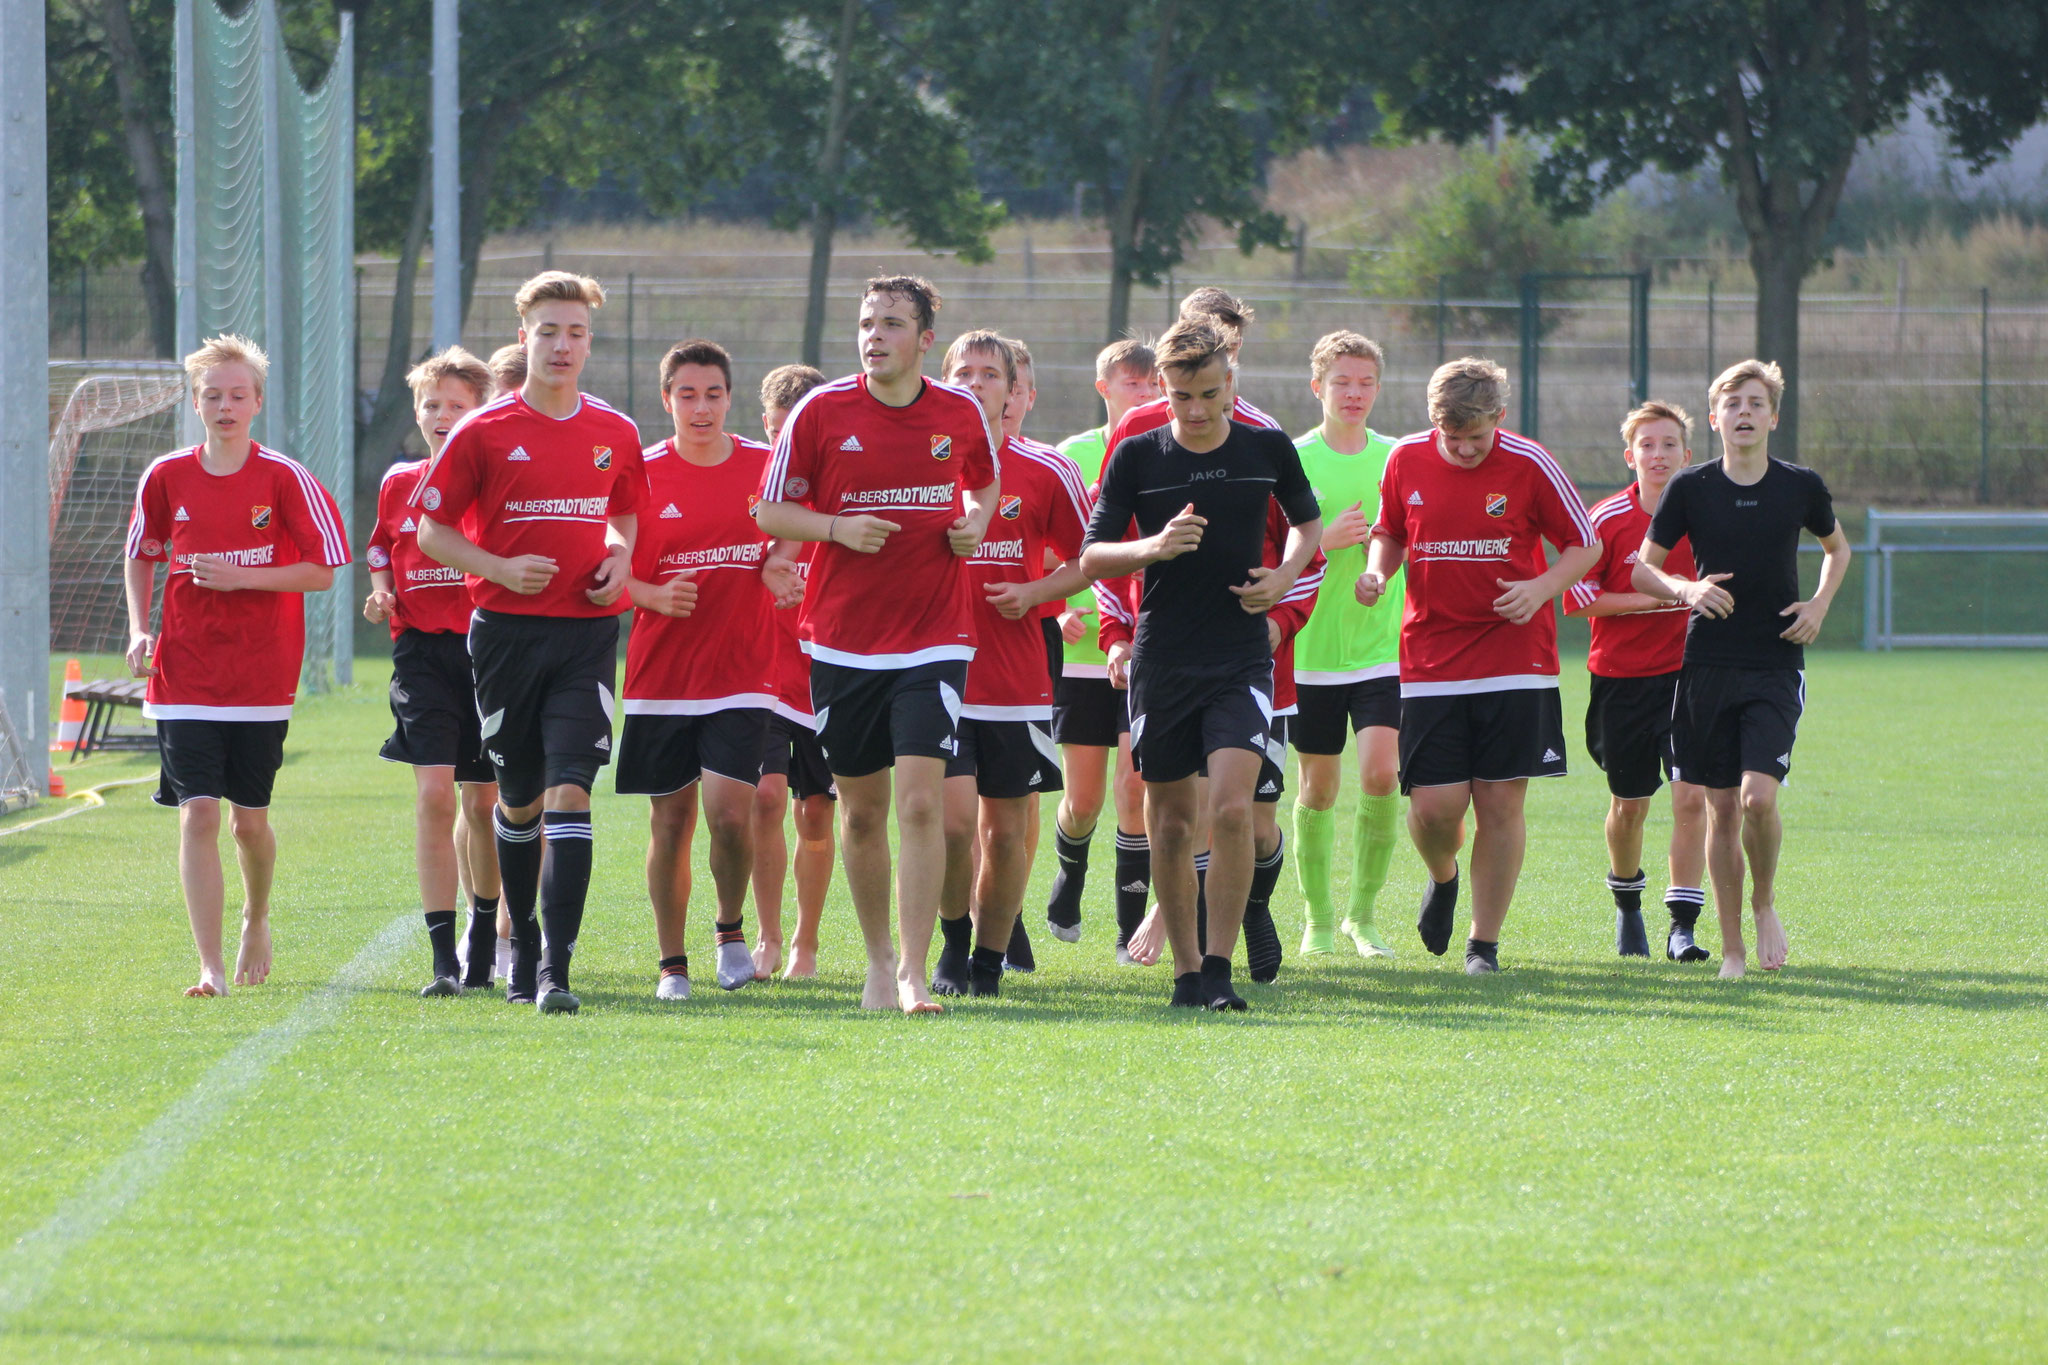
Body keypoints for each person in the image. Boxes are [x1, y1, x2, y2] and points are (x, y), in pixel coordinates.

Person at [754, 275, 999, 1014]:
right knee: (861, 812)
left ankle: (914, 973)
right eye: (866, 322)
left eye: (891, 323)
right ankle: (876, 959)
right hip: (842, 642)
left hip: (935, 637)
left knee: (921, 802)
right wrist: (834, 528)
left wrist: (975, 521)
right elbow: (770, 509)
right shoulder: (820, 411)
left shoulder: (958, 411)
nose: (874, 336)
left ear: (925, 339)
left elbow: (983, 485)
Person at [415, 271, 645, 1015]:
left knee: (572, 790)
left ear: (589, 341)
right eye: (548, 331)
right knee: (515, 802)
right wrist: (499, 567)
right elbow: (432, 529)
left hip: (585, 634)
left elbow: (626, 515)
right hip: (506, 637)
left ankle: (556, 970)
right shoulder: (484, 430)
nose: (562, 345)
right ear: (525, 337)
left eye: (575, 332)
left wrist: (619, 557)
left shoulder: (616, 431)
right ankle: (520, 959)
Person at [1080, 319, 1322, 1011]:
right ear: (1162, 385)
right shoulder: (1136, 453)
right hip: (1164, 660)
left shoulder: (1266, 446)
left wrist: (1285, 574)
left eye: (1210, 394)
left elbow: (1307, 524)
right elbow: (1092, 556)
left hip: (1240, 657)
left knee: (1233, 808)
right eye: (1183, 395)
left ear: (1230, 384)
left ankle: (1219, 969)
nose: (1196, 409)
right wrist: (1152, 547)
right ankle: (1186, 974)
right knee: (1173, 822)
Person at [122, 334, 351, 997]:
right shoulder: (165, 476)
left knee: (247, 820)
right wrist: (140, 627)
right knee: (196, 812)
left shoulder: (284, 477)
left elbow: (323, 571)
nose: (226, 405)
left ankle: (257, 914)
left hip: (259, 678)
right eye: (213, 394)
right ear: (197, 402)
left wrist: (242, 578)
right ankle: (210, 967)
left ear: (257, 402)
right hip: (184, 674)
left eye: (238, 394)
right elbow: (142, 552)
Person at [1355, 357, 1600, 974]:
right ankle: (1443, 875)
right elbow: (1389, 531)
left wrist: (1542, 587)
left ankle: (1482, 945)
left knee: (1498, 805)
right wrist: (1377, 572)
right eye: (1452, 437)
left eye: (1477, 437)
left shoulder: (1530, 462)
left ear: (1500, 417)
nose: (1464, 449)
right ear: (1432, 421)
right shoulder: (1405, 459)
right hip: (1432, 658)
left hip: (1516, 661)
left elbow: (1585, 543)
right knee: (1434, 807)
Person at [1632, 360, 1852, 979]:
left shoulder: (1800, 485)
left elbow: (1838, 550)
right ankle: (1731, 953)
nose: (1745, 413)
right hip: (1706, 665)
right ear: (1714, 419)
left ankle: (1764, 904)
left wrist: (1818, 604)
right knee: (1719, 807)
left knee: (1758, 800)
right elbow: (1640, 569)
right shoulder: (1691, 488)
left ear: (1774, 416)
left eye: (1757, 403)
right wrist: (1686, 589)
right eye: (1733, 404)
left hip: (1775, 661)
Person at [620, 340, 793, 1000]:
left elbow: (790, 526)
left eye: (713, 394)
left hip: (742, 671)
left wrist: (779, 558)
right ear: (667, 399)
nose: (700, 408)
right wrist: (653, 595)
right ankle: (672, 963)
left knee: (729, 814)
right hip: (662, 679)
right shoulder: (639, 472)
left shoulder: (763, 463)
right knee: (670, 822)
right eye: (686, 395)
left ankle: (728, 931)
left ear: (729, 398)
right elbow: (608, 569)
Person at [930, 333, 1091, 998]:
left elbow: (1092, 558)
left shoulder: (1048, 470)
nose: (975, 381)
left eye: (988, 373)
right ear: (942, 381)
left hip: (1015, 683)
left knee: (1004, 831)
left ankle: (990, 964)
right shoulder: (919, 464)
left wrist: (1037, 594)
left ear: (1011, 389)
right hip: (934, 673)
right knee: (952, 822)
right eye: (962, 371)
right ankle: (952, 943)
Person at [364, 347, 504, 996]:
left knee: (483, 804)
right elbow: (380, 548)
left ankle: (483, 939)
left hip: (487, 650)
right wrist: (383, 590)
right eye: (431, 404)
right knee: (434, 795)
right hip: (421, 656)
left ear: (481, 411)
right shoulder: (399, 483)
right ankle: (443, 959)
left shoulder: (498, 479)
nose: (441, 415)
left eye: (456, 405)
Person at [1564, 400, 1711, 961]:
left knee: (1691, 797)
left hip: (1692, 677)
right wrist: (1662, 596)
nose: (1658, 454)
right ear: (1630, 457)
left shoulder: (1707, 514)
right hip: (1622, 682)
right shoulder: (1605, 520)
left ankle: (1683, 926)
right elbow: (1577, 599)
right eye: (1647, 445)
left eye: (1669, 444)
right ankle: (1628, 907)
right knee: (1630, 805)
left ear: (1687, 455)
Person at [1289, 331, 1404, 960]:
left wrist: (1379, 572)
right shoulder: (1296, 458)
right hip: (1310, 650)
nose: (1354, 393)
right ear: (1318, 388)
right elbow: (1271, 546)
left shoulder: (1399, 457)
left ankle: (1364, 916)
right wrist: (1322, 541)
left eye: (1364, 382)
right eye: (1341, 382)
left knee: (1382, 773)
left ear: (1378, 389)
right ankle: (1319, 918)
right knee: (1319, 789)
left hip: (1382, 647)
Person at [1045, 340, 1158, 958]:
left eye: (1151, 385)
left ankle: (1127, 928)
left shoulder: (1166, 451)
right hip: (1083, 656)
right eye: (1131, 384)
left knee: (1135, 786)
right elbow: (1048, 546)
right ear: (1104, 388)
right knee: (1083, 801)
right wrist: (1062, 606)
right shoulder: (1075, 457)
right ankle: (1070, 870)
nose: (1144, 395)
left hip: (1143, 652)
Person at [751, 364, 835, 980]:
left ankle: (807, 943)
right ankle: (769, 936)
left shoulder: (843, 486)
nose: (789, 447)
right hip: (763, 674)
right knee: (764, 799)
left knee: (817, 816)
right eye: (779, 432)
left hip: (831, 671)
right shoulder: (752, 487)